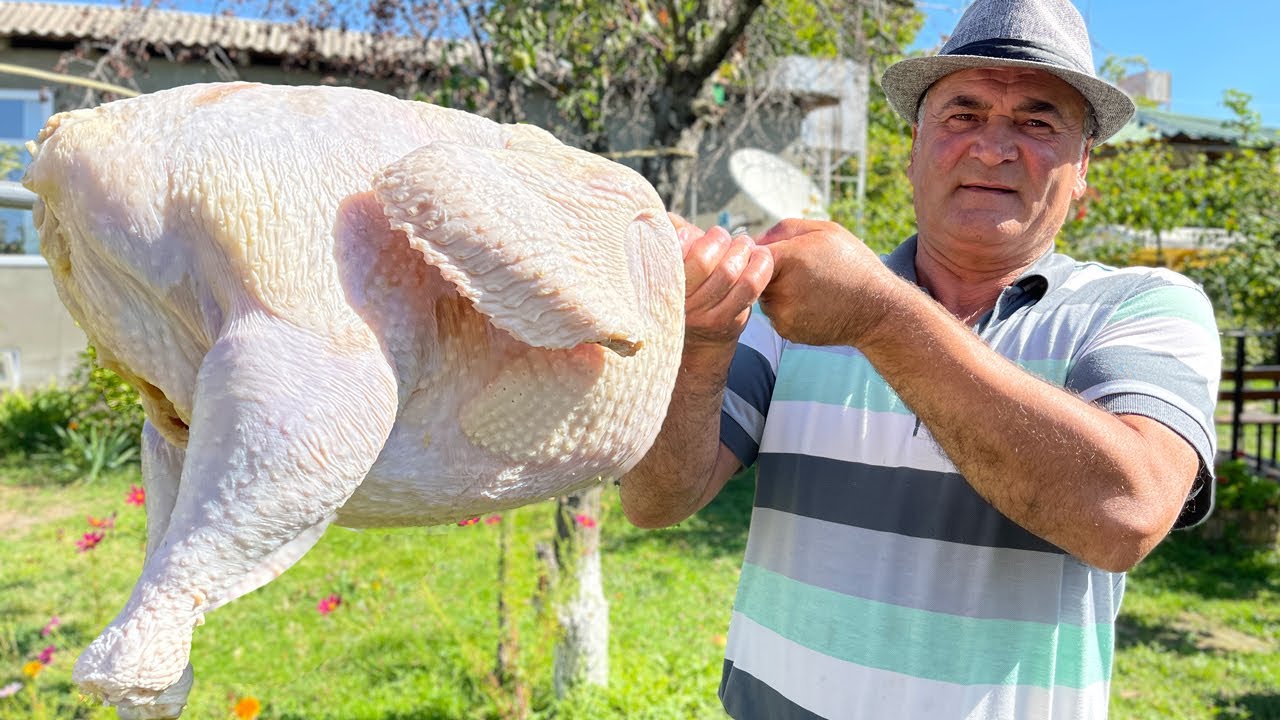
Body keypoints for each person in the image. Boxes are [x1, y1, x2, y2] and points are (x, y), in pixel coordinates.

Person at [619, 0, 1222, 717]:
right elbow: (655, 502)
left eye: (1037, 122)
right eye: (963, 114)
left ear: (1083, 164)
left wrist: (881, 317)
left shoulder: (1141, 306)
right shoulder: (795, 310)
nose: (992, 148)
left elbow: (1126, 515)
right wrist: (706, 340)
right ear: (913, 146)